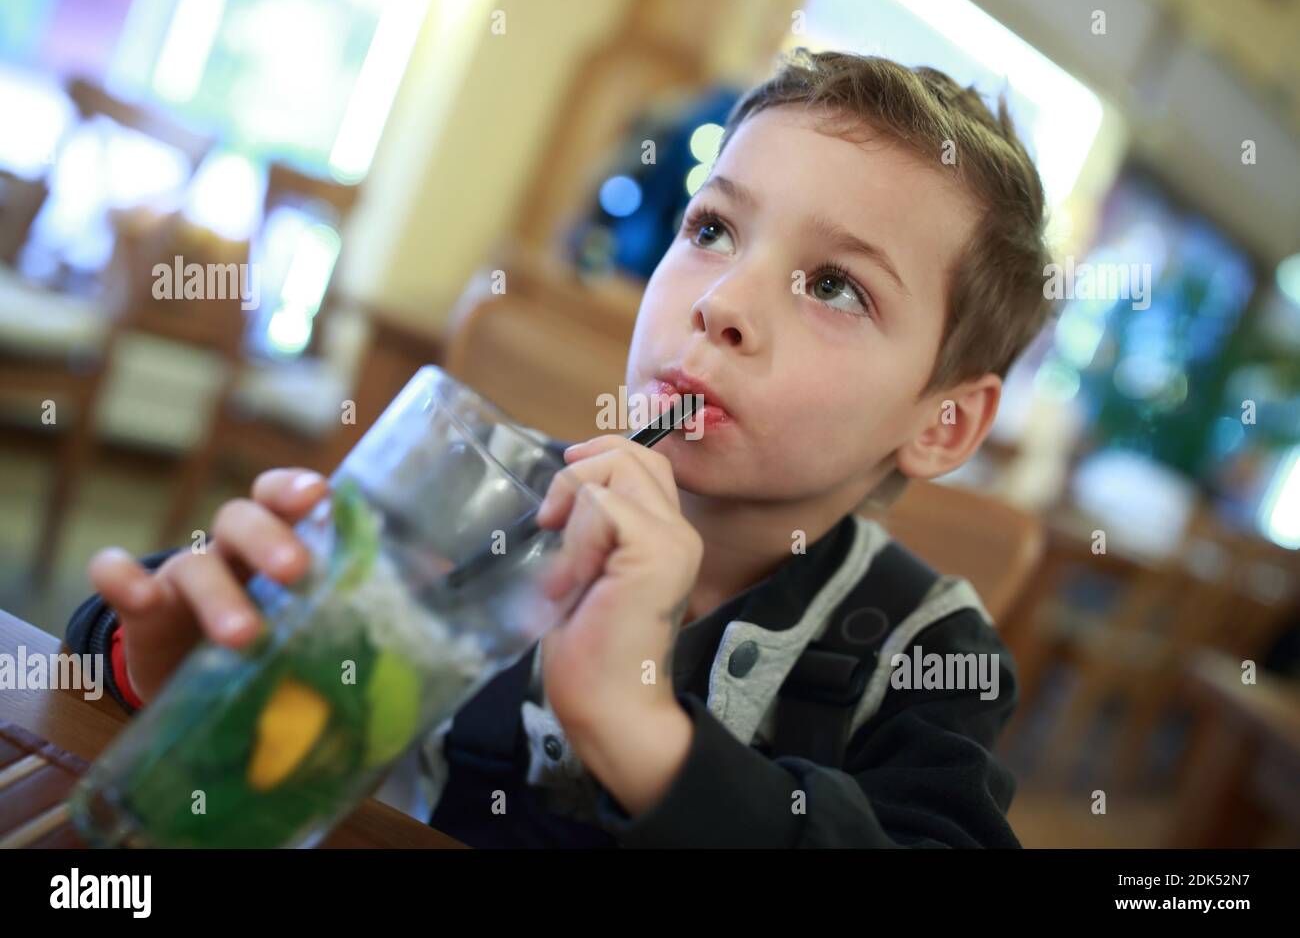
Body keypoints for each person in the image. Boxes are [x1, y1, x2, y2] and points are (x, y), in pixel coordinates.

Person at [67, 49, 1053, 847]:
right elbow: (159, 648)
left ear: (942, 422)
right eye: (711, 227)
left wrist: (645, 733)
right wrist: (179, 667)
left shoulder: (926, 646)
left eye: (835, 285)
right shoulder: (485, 504)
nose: (722, 304)